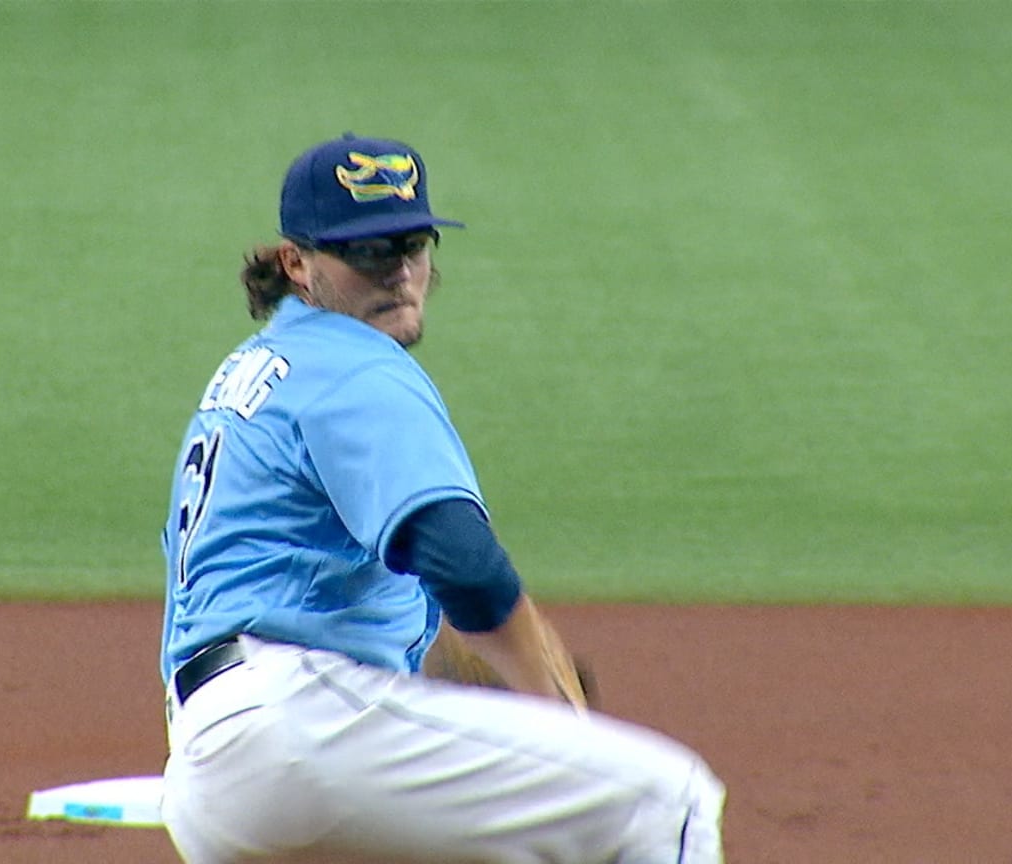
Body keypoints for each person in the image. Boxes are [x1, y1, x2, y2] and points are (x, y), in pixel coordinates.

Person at [158, 132, 725, 864]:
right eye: (365, 251)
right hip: (297, 731)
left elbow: (394, 594)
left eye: (411, 244)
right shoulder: (355, 365)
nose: (396, 270)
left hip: (219, 769)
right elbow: (467, 569)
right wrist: (559, 727)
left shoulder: (252, 375)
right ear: (296, 264)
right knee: (667, 802)